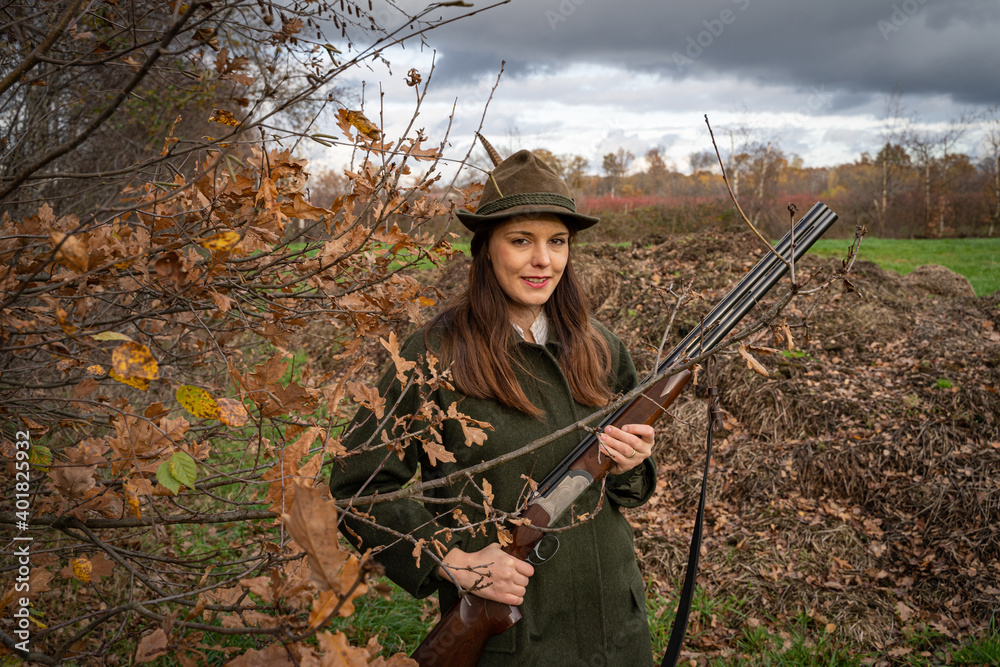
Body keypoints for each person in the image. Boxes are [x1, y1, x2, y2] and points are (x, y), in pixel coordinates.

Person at [329, 148, 657, 666]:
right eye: (521, 240)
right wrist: (452, 560)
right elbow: (358, 488)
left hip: (615, 626)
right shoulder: (432, 354)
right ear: (485, 249)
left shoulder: (602, 347)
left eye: (557, 242)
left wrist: (632, 462)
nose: (543, 260)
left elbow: (624, 490)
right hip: (515, 644)